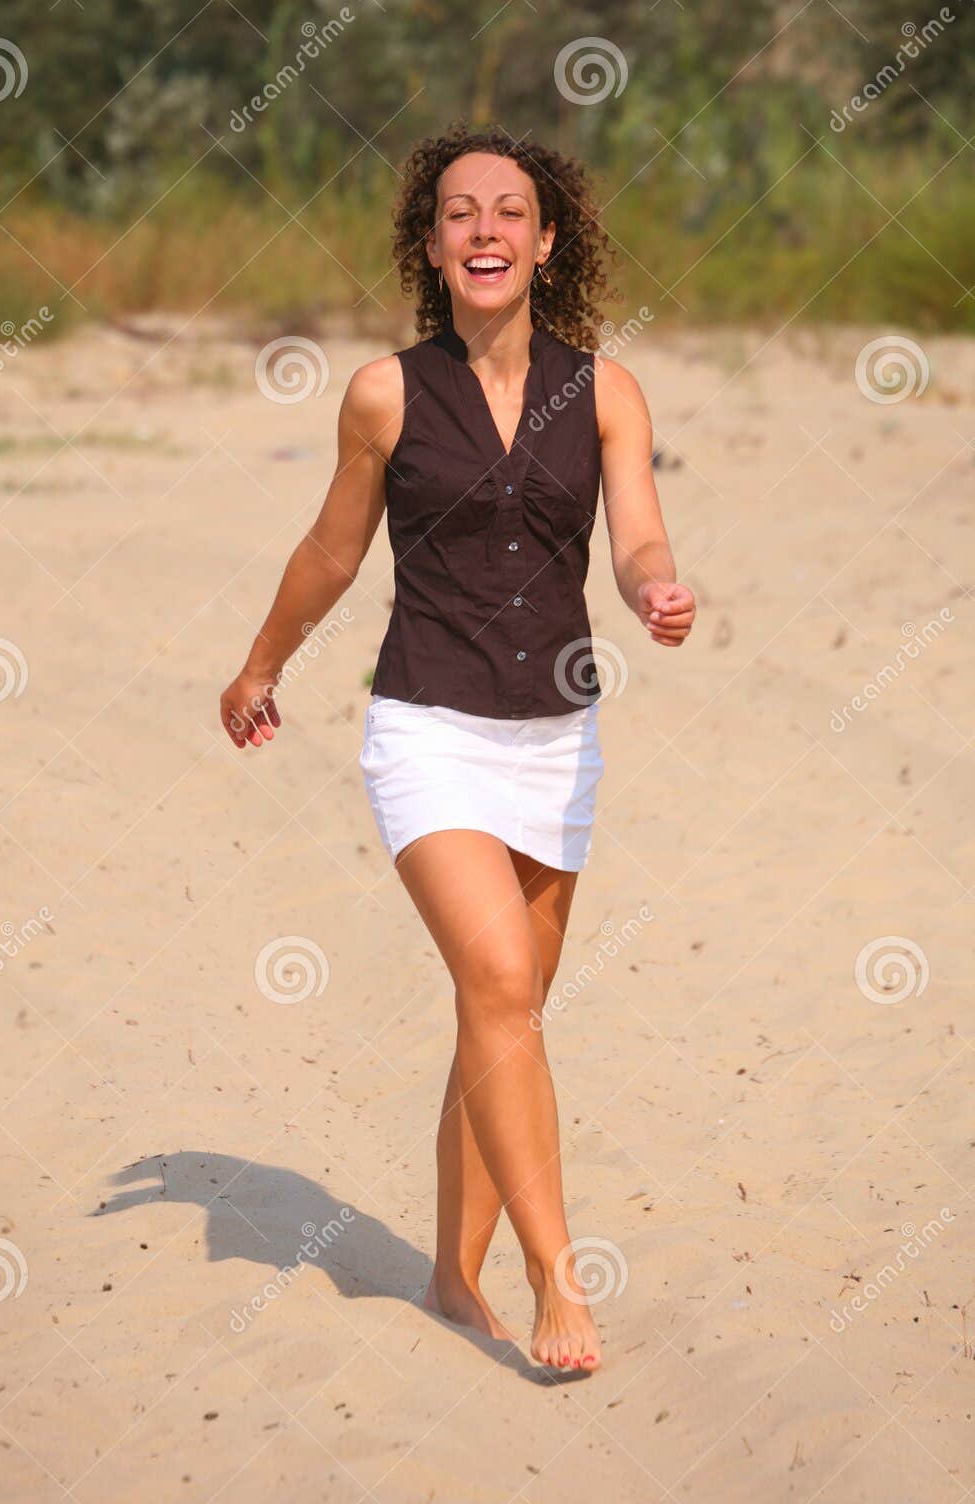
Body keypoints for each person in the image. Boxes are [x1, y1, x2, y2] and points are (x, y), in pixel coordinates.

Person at [220, 122, 695, 1375]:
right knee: (496, 991)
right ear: (429, 248)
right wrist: (263, 660)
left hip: (557, 735)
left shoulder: (604, 391)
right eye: (456, 213)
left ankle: (446, 1273)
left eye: (507, 212)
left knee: (506, 1014)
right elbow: (332, 551)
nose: (483, 229)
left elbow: (638, 535)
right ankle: (556, 1279)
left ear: (546, 243)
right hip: (424, 723)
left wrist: (656, 590)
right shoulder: (384, 392)